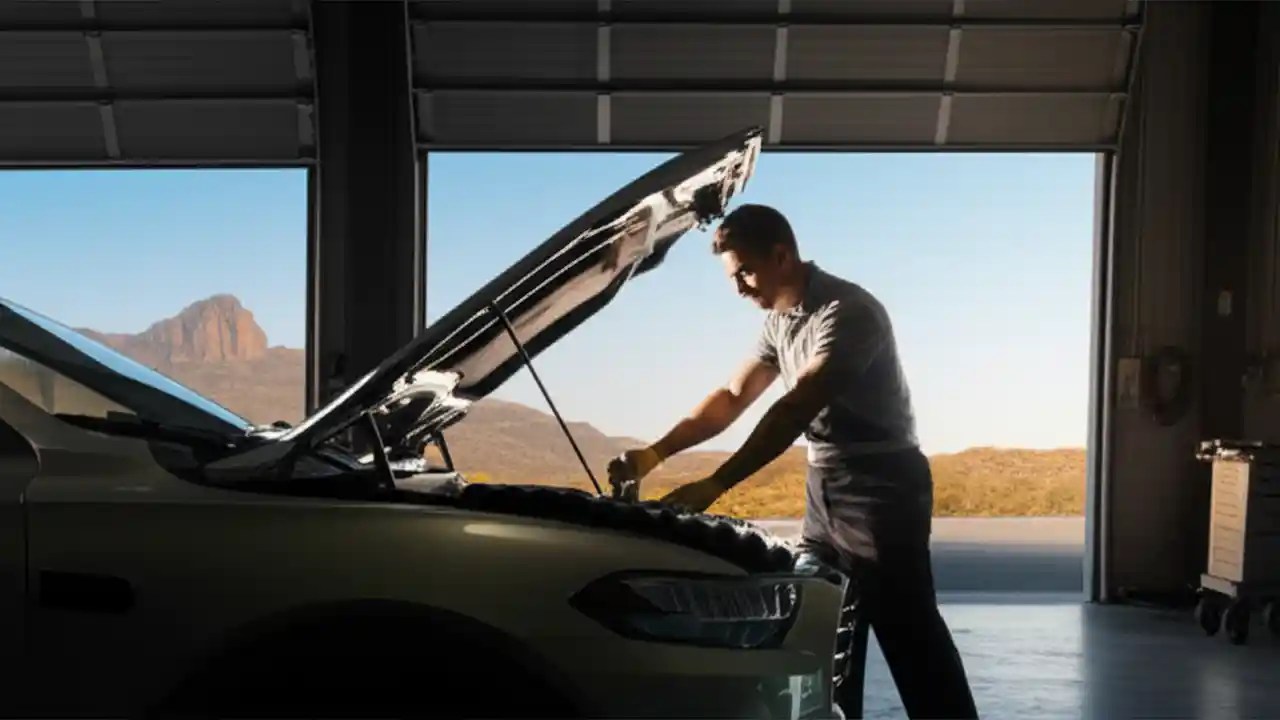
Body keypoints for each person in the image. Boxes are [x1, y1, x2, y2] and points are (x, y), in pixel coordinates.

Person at [607, 204, 979, 719]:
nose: (738, 288)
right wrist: (655, 453)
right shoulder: (778, 323)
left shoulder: (849, 313)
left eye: (745, 272)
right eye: (732, 277)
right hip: (824, 487)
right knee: (825, 632)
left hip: (883, 490)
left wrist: (716, 482)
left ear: (781, 256)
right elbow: (732, 396)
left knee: (911, 637)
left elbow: (796, 406)